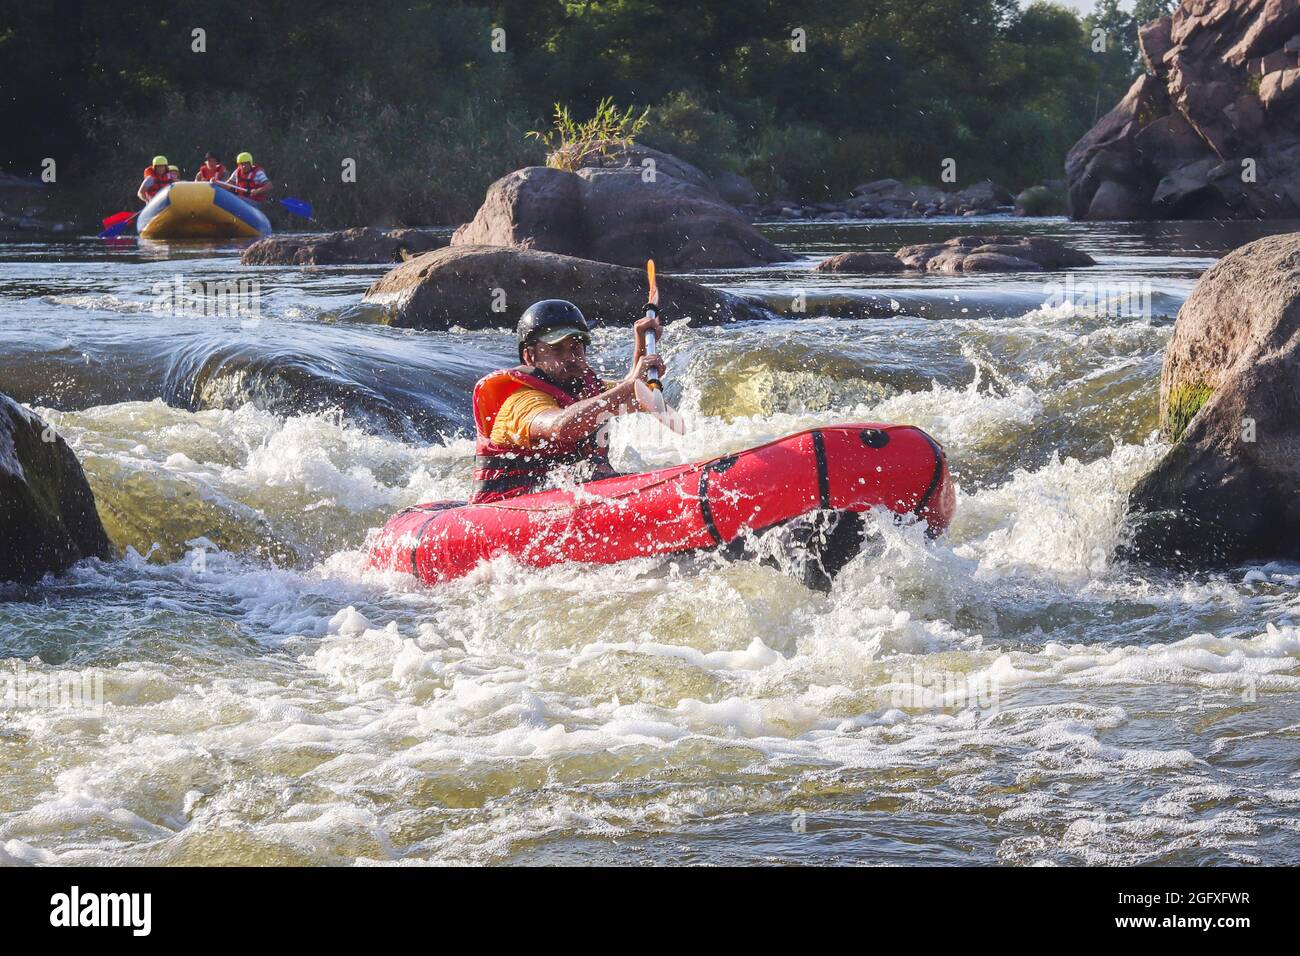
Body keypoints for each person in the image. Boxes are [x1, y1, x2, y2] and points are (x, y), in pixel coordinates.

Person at [469, 299, 665, 503]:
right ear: (530, 356)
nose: (570, 357)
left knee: (592, 469)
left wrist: (643, 346)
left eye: (576, 348)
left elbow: (637, 399)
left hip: (562, 502)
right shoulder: (520, 402)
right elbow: (561, 427)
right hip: (507, 510)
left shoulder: (585, 390)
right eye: (557, 349)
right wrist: (629, 384)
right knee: (587, 471)